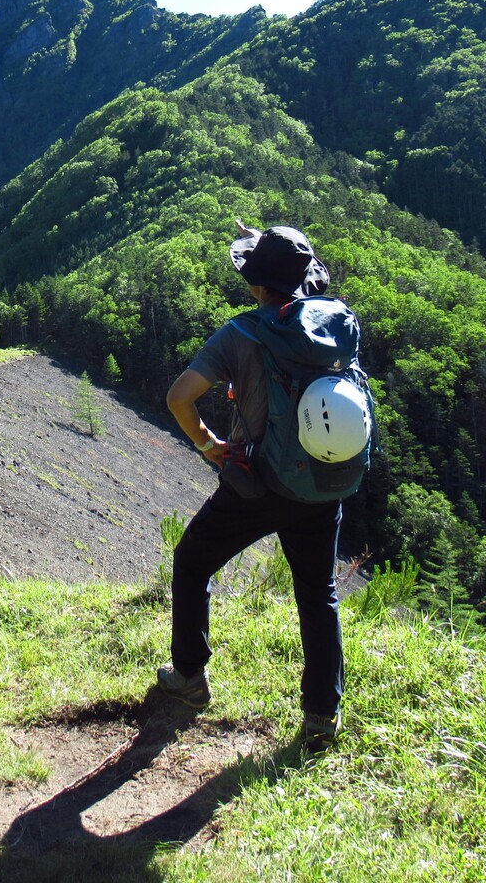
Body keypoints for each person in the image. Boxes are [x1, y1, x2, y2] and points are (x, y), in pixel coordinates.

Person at [158, 221, 346, 754]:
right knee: (318, 593)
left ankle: (190, 677)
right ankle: (321, 715)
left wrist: (207, 442)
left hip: (256, 483)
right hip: (320, 482)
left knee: (193, 562)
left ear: (254, 283)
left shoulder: (239, 333)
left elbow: (179, 397)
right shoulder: (331, 325)